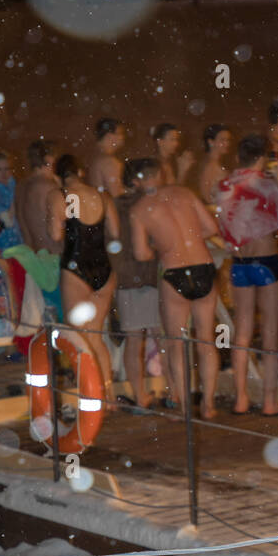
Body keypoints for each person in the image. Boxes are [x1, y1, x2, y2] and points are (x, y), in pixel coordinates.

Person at [130, 159, 222, 418]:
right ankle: (209, 404)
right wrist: (189, 238)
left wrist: (160, 244)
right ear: (159, 173)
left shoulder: (139, 209)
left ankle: (184, 406)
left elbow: (141, 253)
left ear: (138, 181)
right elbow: (211, 228)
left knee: (176, 343)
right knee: (206, 341)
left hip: (174, 272)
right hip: (203, 266)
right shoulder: (184, 193)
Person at [215, 134, 278, 417]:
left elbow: (225, 226)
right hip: (267, 261)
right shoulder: (267, 184)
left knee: (242, 332)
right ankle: (270, 402)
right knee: (271, 333)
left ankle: (241, 398)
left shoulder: (223, 186)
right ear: (262, 158)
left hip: (239, 262)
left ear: (239, 157)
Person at [48, 153, 119, 390]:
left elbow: (55, 235)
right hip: (103, 268)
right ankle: (107, 394)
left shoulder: (59, 196)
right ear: (80, 172)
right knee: (96, 336)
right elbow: (116, 233)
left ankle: (89, 393)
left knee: (78, 335)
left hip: (75, 268)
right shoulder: (102, 196)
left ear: (58, 176)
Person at [115, 158, 164, 409]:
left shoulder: (116, 204)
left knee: (134, 340)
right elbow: (148, 247)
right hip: (148, 276)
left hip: (125, 278)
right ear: (137, 181)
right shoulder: (147, 204)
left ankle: (140, 395)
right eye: (154, 178)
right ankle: (173, 391)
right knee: (162, 337)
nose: (159, 183)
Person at [6, 140, 64, 318]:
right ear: (48, 159)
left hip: (32, 260)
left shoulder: (22, 186)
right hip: (52, 261)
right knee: (63, 324)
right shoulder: (49, 187)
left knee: (43, 323)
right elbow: (61, 226)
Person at [88, 117, 126, 198]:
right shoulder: (109, 162)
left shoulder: (94, 158)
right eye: (120, 133)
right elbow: (117, 195)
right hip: (109, 208)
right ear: (109, 136)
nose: (123, 137)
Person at [198, 123, 232, 205]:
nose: (227, 144)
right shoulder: (209, 165)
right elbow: (206, 195)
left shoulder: (217, 163)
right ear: (211, 142)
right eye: (222, 140)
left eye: (228, 140)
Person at [151, 123, 194, 188]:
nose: (176, 143)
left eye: (176, 140)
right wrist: (182, 171)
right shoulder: (153, 165)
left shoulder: (171, 162)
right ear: (160, 141)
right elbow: (169, 194)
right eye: (172, 139)